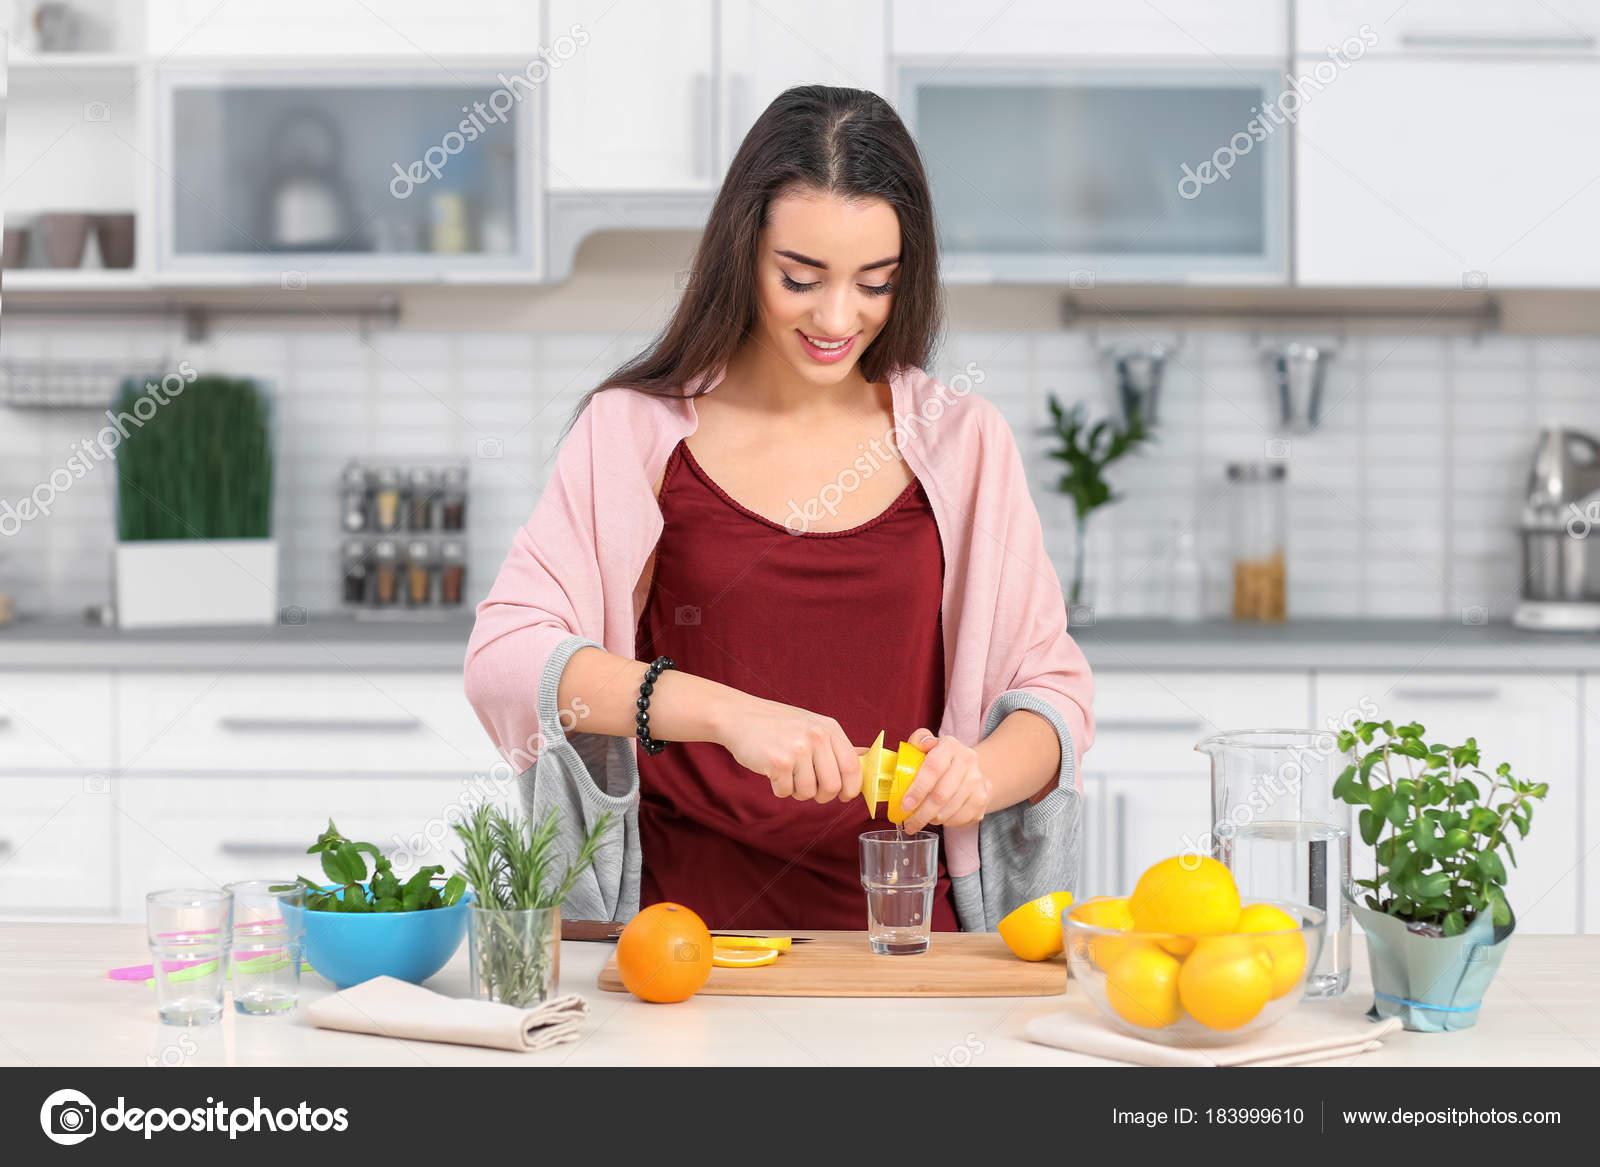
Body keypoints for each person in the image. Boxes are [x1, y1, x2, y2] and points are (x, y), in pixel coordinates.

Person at [464, 85, 1094, 932]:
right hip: (681, 948)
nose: (838, 317)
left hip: (912, 951)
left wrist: (977, 775)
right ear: (743, 253)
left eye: (876, 283)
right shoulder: (636, 433)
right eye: (800, 277)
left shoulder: (964, 444)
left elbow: (1053, 697)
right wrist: (726, 712)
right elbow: (505, 659)